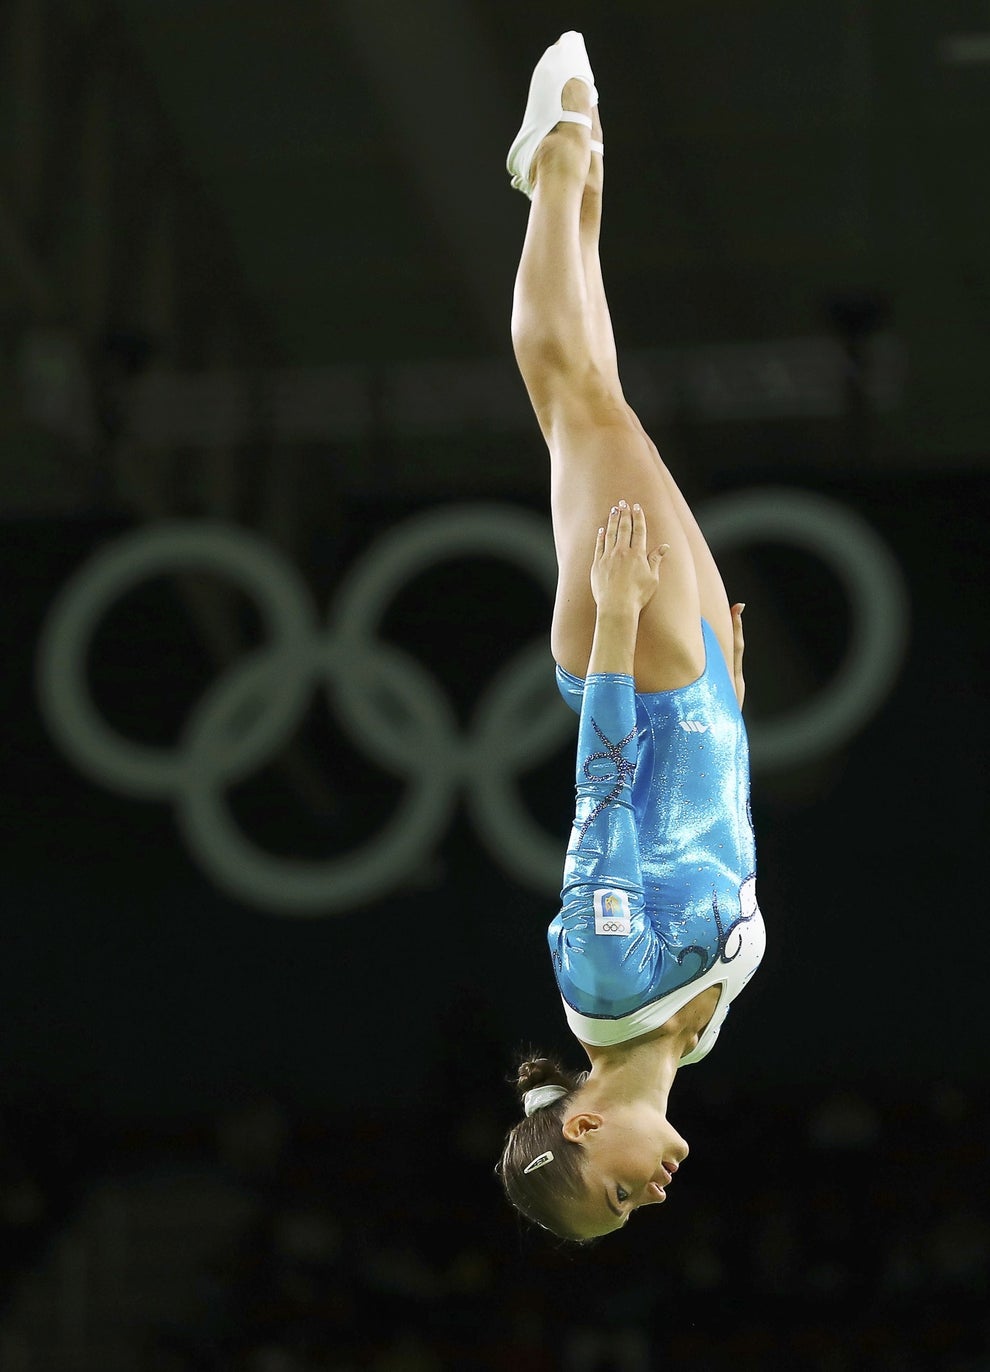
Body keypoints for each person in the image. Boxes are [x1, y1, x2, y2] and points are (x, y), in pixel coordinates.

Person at [496, 32, 766, 1241]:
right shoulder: (691, 1034)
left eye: (614, 1192)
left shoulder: (610, 988)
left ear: (584, 1127)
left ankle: (554, 165)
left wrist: (609, 619)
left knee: (577, 400)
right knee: (600, 401)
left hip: (637, 669)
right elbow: (718, 824)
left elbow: (603, 799)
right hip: (698, 677)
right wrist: (734, 701)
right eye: (634, 1214)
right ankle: (581, 178)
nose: (650, 1194)